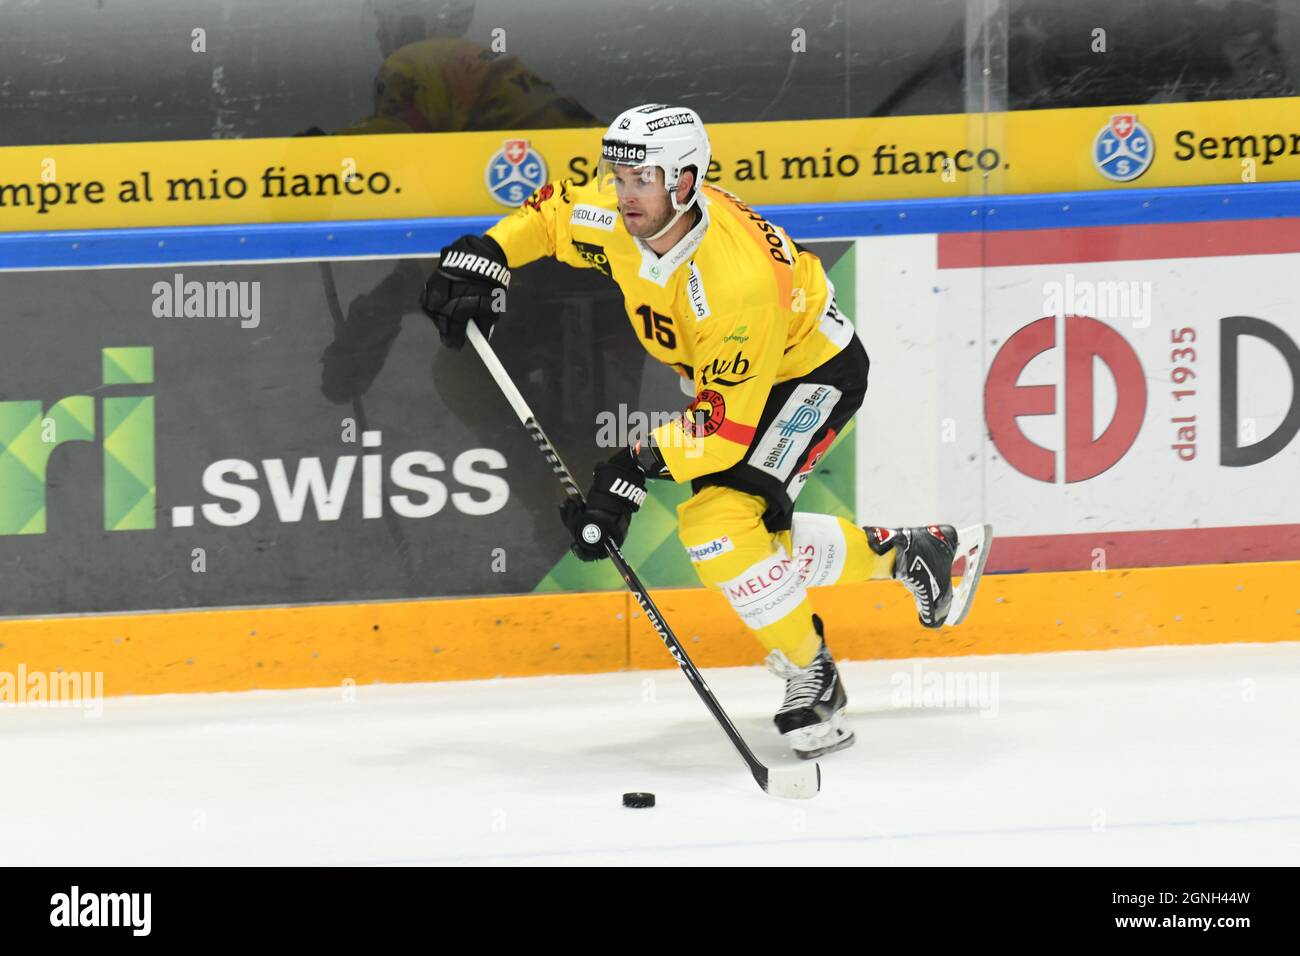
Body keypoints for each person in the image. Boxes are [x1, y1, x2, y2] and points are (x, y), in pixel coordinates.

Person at [420, 104, 988, 759]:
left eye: (643, 179)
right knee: (745, 539)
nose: (624, 193)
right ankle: (912, 554)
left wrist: (630, 467)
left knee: (717, 529)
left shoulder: (732, 285)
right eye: (619, 174)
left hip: (808, 374)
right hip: (737, 379)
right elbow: (549, 216)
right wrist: (487, 254)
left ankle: (815, 675)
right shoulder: (619, 211)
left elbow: (718, 434)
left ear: (685, 182)